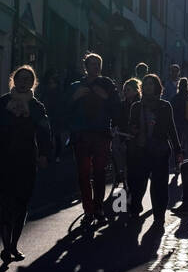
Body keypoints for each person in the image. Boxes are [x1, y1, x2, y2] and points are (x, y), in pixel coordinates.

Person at [0, 66, 52, 265]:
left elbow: (44, 132)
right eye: (20, 78)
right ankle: (6, 247)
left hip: (26, 159)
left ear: (33, 83)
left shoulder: (37, 107)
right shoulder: (1, 103)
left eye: (28, 79)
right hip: (3, 159)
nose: (23, 82)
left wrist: (44, 154)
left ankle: (14, 244)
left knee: (22, 203)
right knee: (6, 203)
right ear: (13, 80)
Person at [65, 52, 119, 225]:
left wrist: (106, 97)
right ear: (85, 67)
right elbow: (64, 109)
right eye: (92, 64)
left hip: (101, 133)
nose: (95, 67)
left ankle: (98, 207)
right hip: (81, 134)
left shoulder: (107, 84)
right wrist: (75, 97)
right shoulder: (75, 86)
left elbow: (116, 108)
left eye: (98, 64)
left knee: (100, 172)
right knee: (83, 173)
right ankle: (88, 209)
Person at [127, 73, 183, 229]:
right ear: (142, 88)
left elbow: (172, 129)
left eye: (151, 84)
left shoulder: (165, 106)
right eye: (145, 84)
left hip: (160, 150)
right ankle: (135, 209)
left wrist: (178, 149)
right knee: (138, 183)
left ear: (157, 87)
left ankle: (159, 217)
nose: (148, 87)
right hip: (141, 150)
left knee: (159, 186)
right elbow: (131, 127)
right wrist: (133, 129)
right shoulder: (136, 107)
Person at [111, 77, 141, 193]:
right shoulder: (122, 104)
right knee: (115, 148)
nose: (125, 92)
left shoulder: (139, 104)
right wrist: (115, 127)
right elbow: (117, 119)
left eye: (128, 90)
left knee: (129, 158)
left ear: (135, 91)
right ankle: (120, 172)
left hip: (134, 137)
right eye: (124, 90)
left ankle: (128, 182)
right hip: (123, 134)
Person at [37, 69, 65, 161]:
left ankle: (57, 154)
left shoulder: (56, 88)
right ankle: (50, 153)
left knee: (56, 135)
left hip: (55, 113)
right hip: (48, 112)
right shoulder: (46, 87)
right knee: (48, 134)